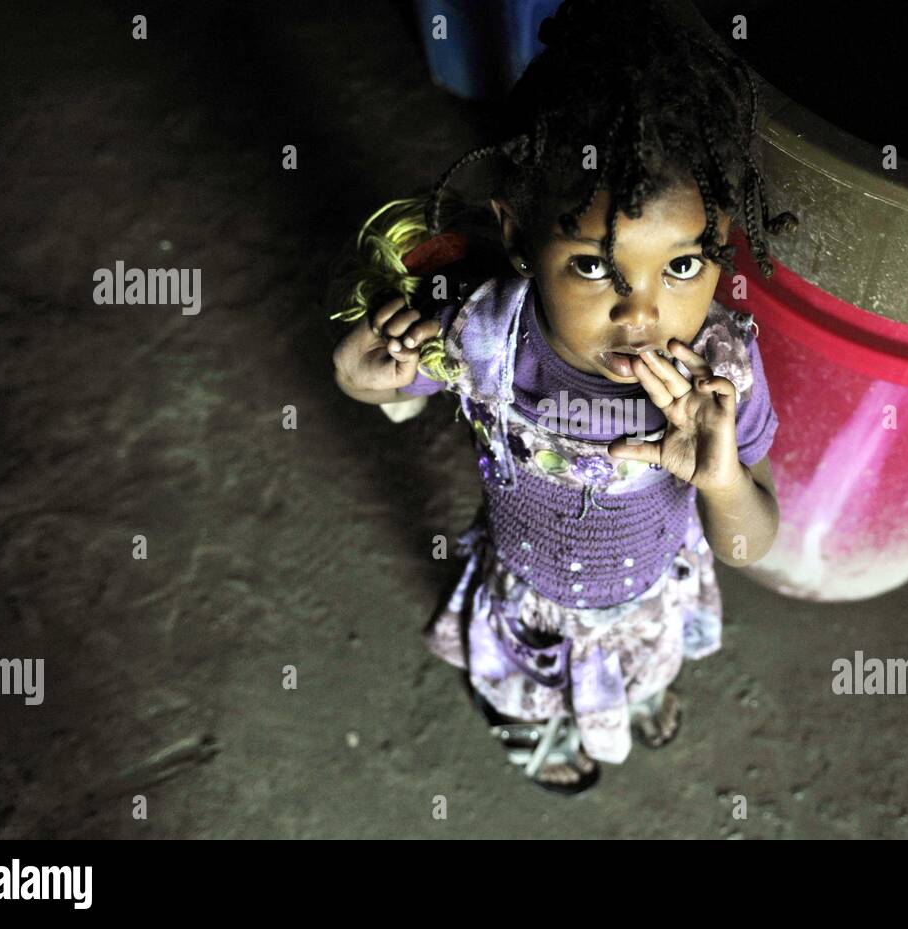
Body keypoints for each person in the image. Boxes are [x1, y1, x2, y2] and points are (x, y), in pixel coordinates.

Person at [331, 0, 797, 793]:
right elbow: (370, 376)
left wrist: (719, 480)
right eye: (591, 266)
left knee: (644, 667)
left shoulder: (721, 378)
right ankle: (531, 721)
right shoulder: (479, 332)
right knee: (526, 683)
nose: (641, 313)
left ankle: (634, 691)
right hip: (527, 593)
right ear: (518, 238)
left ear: (723, 245)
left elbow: (750, 543)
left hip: (650, 591)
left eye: (683, 266)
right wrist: (358, 367)